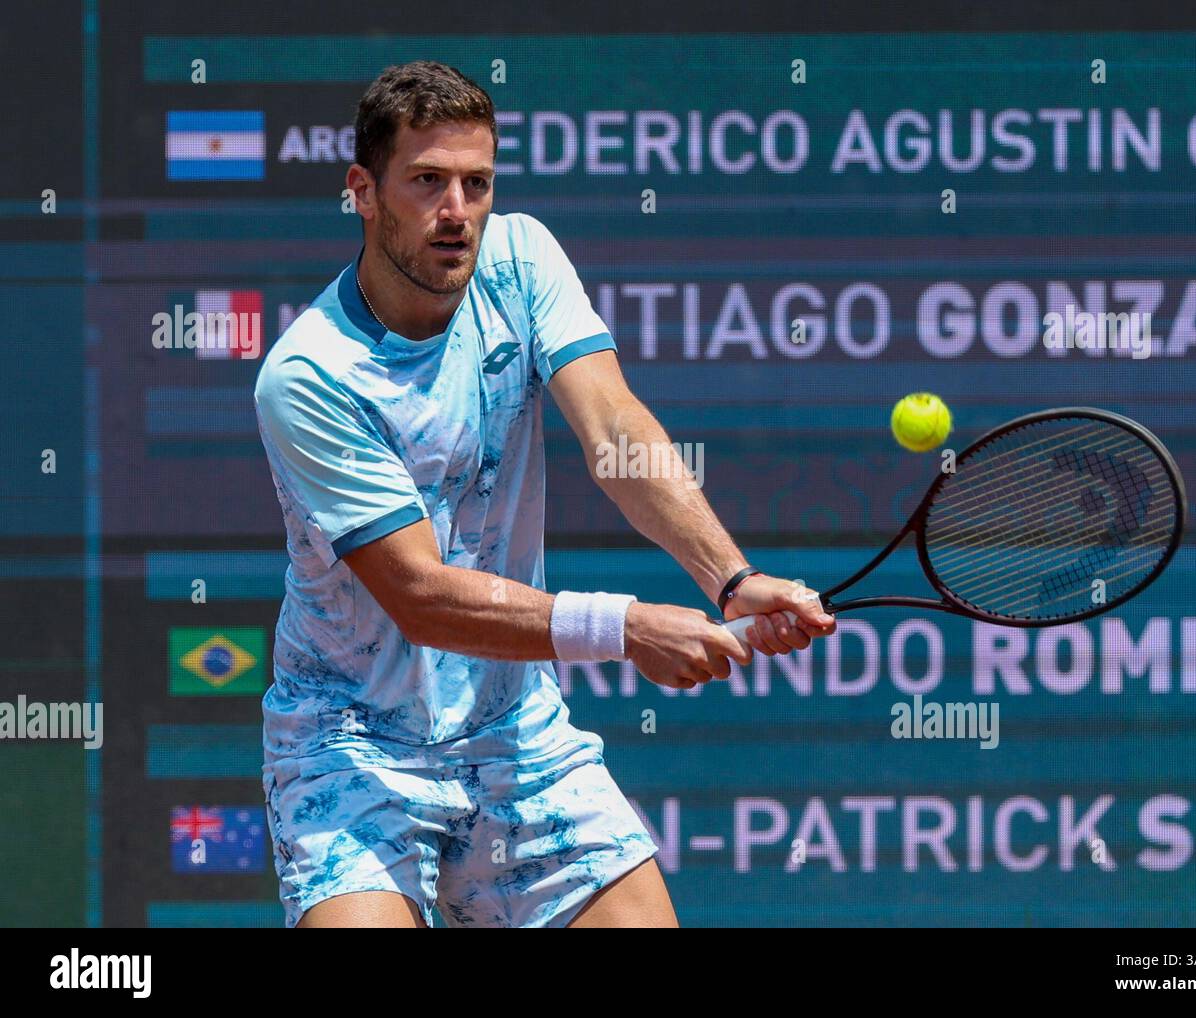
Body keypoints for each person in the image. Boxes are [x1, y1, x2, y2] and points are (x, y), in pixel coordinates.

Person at [253, 60, 835, 928]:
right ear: (363, 192)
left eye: (476, 183)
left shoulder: (520, 258)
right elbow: (420, 597)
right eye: (427, 183)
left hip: (515, 734)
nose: (457, 212)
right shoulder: (309, 377)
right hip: (350, 747)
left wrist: (731, 579)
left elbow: (616, 434)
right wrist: (627, 628)